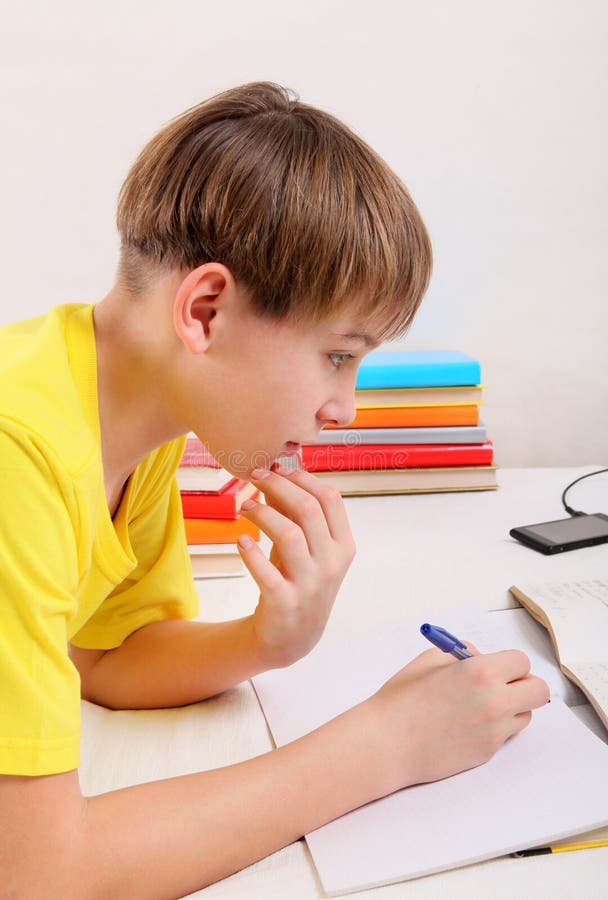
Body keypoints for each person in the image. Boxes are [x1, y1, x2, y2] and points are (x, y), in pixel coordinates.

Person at [0, 82, 549, 898]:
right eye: (338, 355)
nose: (346, 408)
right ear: (207, 310)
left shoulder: (125, 414)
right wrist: (384, 746)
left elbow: (102, 655)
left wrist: (272, 639)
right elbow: (39, 875)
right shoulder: (21, 455)